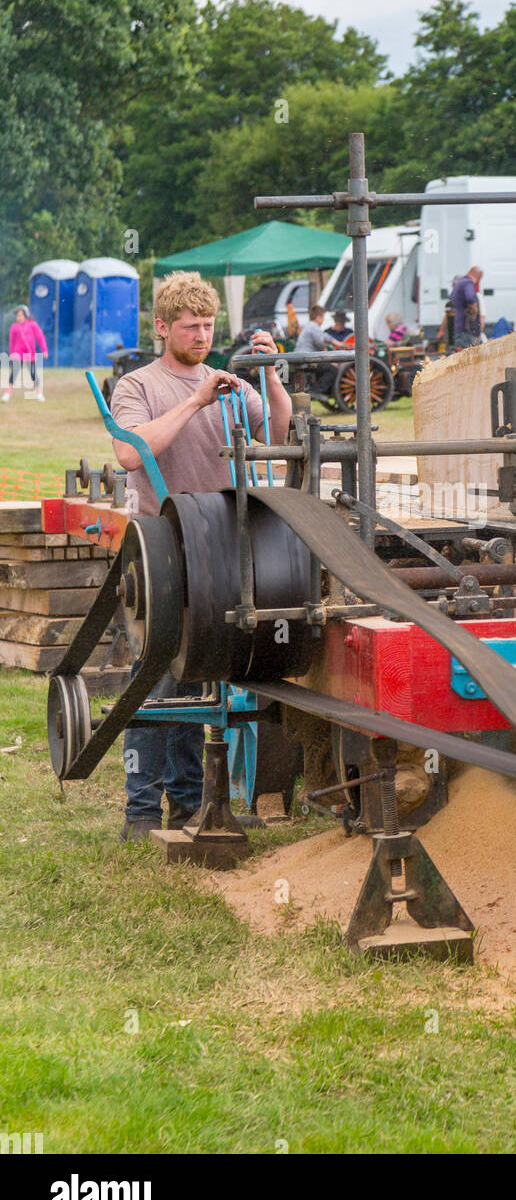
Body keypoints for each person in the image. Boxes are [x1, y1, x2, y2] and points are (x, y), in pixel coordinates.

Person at [109, 271, 291, 842]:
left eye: (209, 326)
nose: (202, 335)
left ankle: (188, 803)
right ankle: (141, 810)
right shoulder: (138, 385)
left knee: (201, 675)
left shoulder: (230, 384)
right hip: (161, 553)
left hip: (217, 547)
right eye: (190, 327)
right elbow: (130, 453)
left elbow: (278, 435)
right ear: (162, 327)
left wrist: (272, 377)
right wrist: (194, 400)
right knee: (154, 681)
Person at [3, 305, 47, 402]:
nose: (18, 317)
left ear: (26, 315)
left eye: (20, 315)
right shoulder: (14, 327)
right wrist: (12, 354)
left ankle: (39, 393)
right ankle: (8, 393)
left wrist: (44, 350)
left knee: (33, 374)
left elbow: (40, 337)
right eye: (17, 315)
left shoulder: (32, 325)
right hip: (18, 354)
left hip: (30, 354)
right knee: (14, 373)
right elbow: (12, 342)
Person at [449, 267, 483, 347]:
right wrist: (474, 312)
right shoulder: (468, 283)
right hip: (467, 332)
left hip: (458, 329)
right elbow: (470, 298)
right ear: (478, 277)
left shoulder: (459, 283)